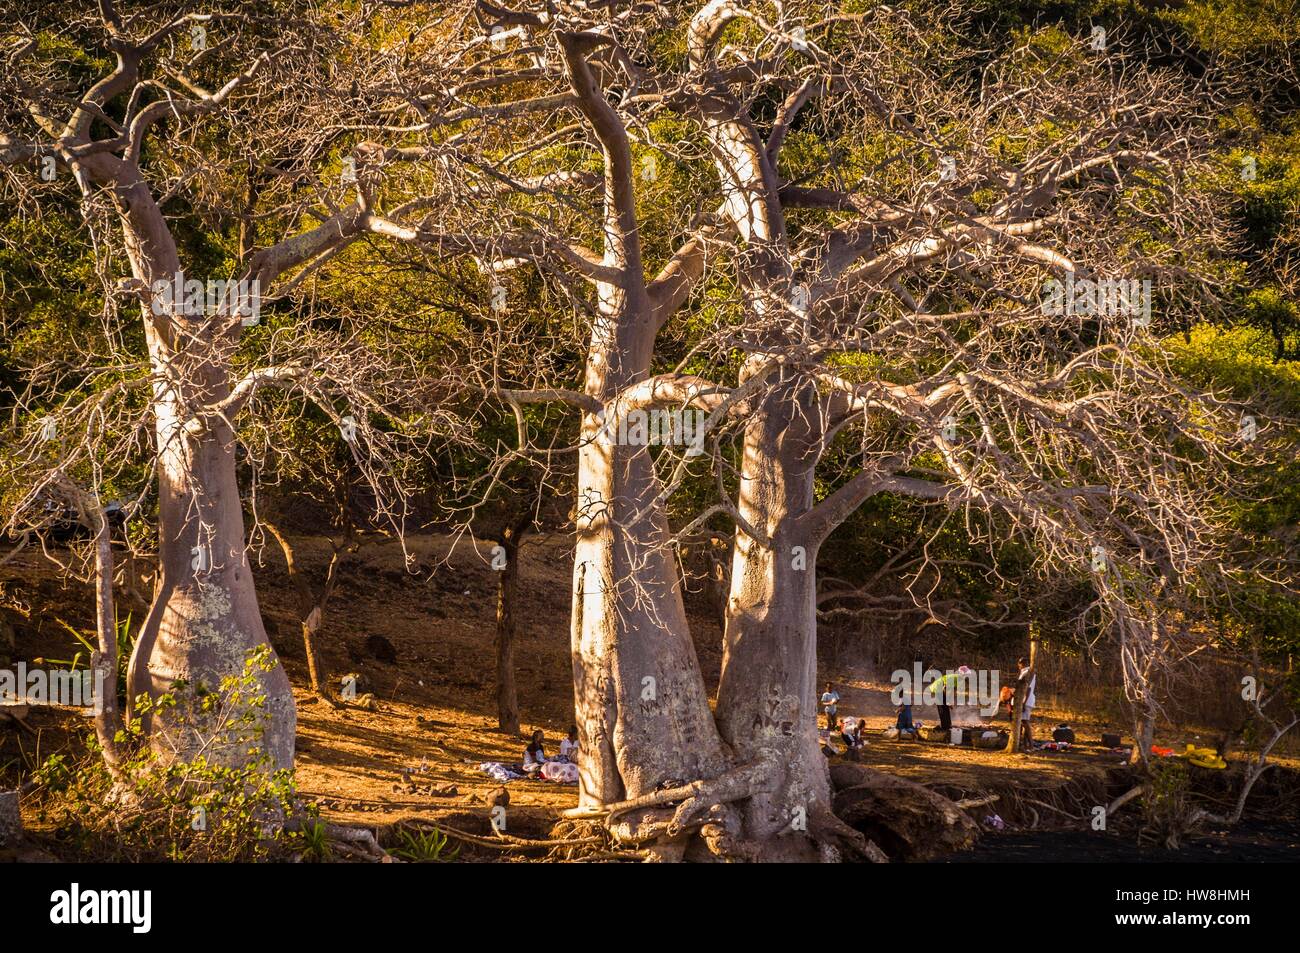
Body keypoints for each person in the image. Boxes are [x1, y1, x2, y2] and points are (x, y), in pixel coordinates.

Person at [1015, 657, 1037, 750]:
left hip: (1026, 700)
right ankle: (1025, 745)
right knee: (1023, 722)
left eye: (1019, 663)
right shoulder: (1027, 672)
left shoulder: (1026, 672)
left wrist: (1023, 702)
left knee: (1025, 722)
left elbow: (1028, 688)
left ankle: (1031, 745)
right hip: (1026, 699)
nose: (1018, 665)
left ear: (1022, 663)